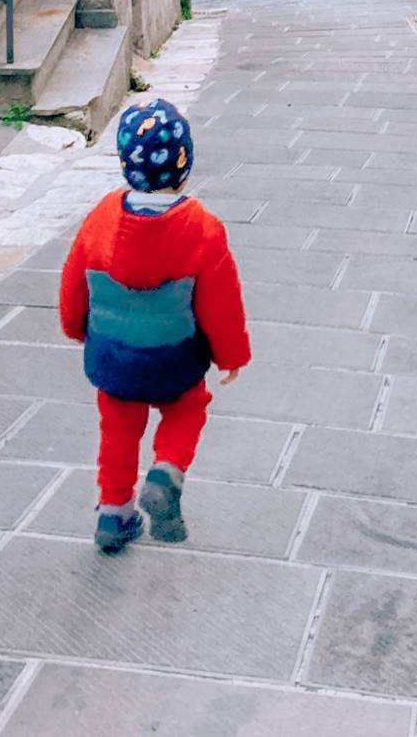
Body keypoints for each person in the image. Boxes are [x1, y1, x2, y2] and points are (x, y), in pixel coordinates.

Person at [58, 97, 250, 553]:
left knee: (118, 428)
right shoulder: (202, 227)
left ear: (126, 165)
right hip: (174, 359)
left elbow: (73, 280)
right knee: (188, 406)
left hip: (113, 356)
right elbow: (221, 302)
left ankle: (113, 512)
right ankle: (166, 473)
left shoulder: (101, 217)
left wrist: (74, 327)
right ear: (183, 167)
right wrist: (231, 355)